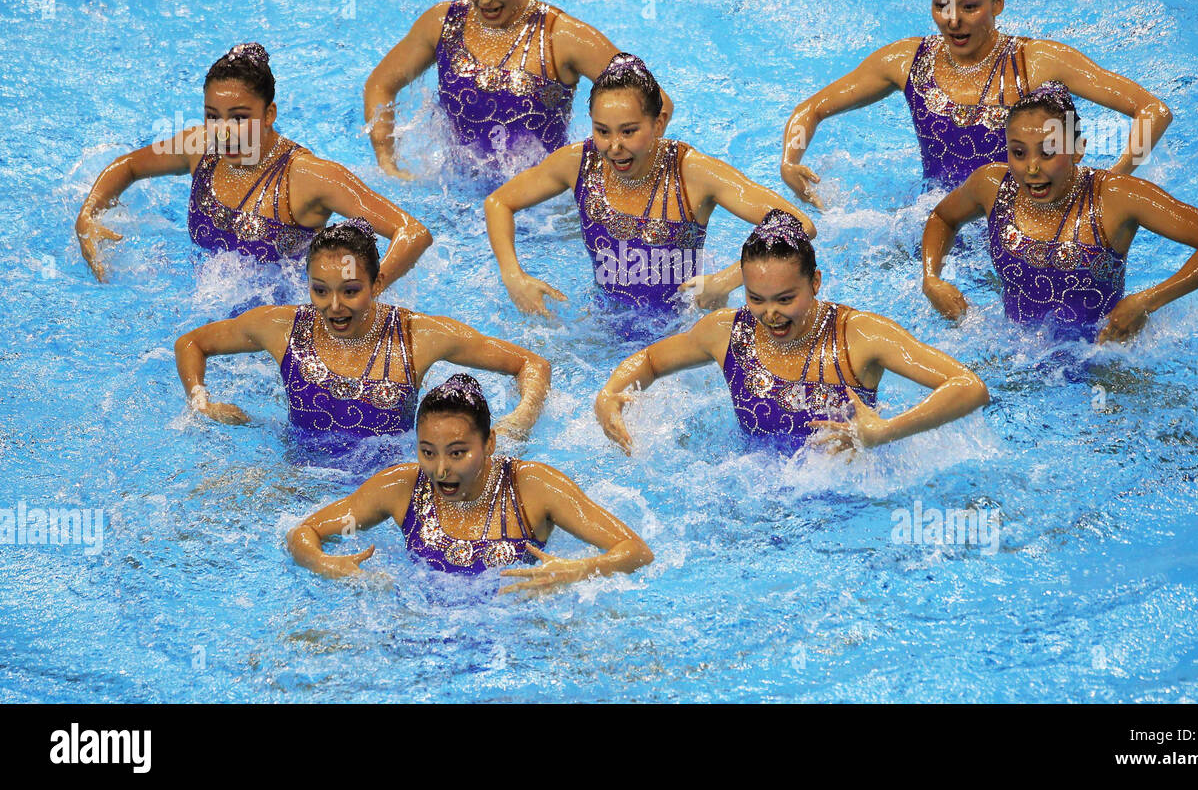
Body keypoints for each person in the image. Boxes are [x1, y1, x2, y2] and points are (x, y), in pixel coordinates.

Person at [780, 0, 1173, 202]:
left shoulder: (1038, 62)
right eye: (941, 5)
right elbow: (810, 110)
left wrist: (1115, 178)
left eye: (969, 6)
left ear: (998, 3)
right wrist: (790, 162)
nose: (952, 20)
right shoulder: (905, 62)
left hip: (1030, 222)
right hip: (941, 222)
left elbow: (1153, 111)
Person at [596, 210, 989, 454]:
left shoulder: (861, 336)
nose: (770, 315)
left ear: (815, 282)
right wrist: (611, 393)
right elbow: (650, 360)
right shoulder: (726, 332)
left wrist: (885, 431)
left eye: (785, 299)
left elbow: (969, 387)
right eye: (756, 298)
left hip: (850, 511)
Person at [76, 43, 431, 288]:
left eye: (239, 118)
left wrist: (367, 294)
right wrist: (89, 214)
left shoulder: (306, 176)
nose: (224, 132)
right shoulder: (200, 146)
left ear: (269, 114)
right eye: (212, 116)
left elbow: (412, 233)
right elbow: (128, 166)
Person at [486, 54, 816, 316]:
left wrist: (723, 281)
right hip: (604, 321)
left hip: (683, 331)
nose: (614, 146)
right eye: (603, 131)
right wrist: (513, 277)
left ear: (658, 123)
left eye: (628, 131)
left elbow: (798, 224)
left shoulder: (693, 173)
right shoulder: (579, 162)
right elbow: (499, 203)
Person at [174, 220, 550, 449]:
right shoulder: (282, 328)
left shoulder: (417, 336)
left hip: (388, 494)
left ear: (378, 283)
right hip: (299, 478)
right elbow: (191, 343)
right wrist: (201, 401)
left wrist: (520, 417)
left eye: (351, 291)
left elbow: (530, 363)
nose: (334, 305)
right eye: (320, 290)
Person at [364, 0, 672, 185]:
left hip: (545, 209)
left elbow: (658, 104)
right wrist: (387, 164)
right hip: (457, 191)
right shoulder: (442, 25)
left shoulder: (561, 37)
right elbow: (380, 84)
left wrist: (620, 175)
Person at [921, 83, 1198, 341]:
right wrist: (932, 278)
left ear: (1078, 150)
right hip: (1014, 355)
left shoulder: (1114, 197)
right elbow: (942, 218)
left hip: (1102, 360)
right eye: (1018, 153)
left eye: (1049, 152)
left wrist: (1148, 300)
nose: (1031, 168)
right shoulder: (991, 184)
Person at [288, 373, 653, 591]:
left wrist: (578, 571)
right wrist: (326, 564)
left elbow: (634, 551)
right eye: (427, 452)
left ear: (489, 443)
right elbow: (305, 533)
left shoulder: (533, 488)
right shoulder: (400, 488)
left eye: (458, 453)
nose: (440, 469)